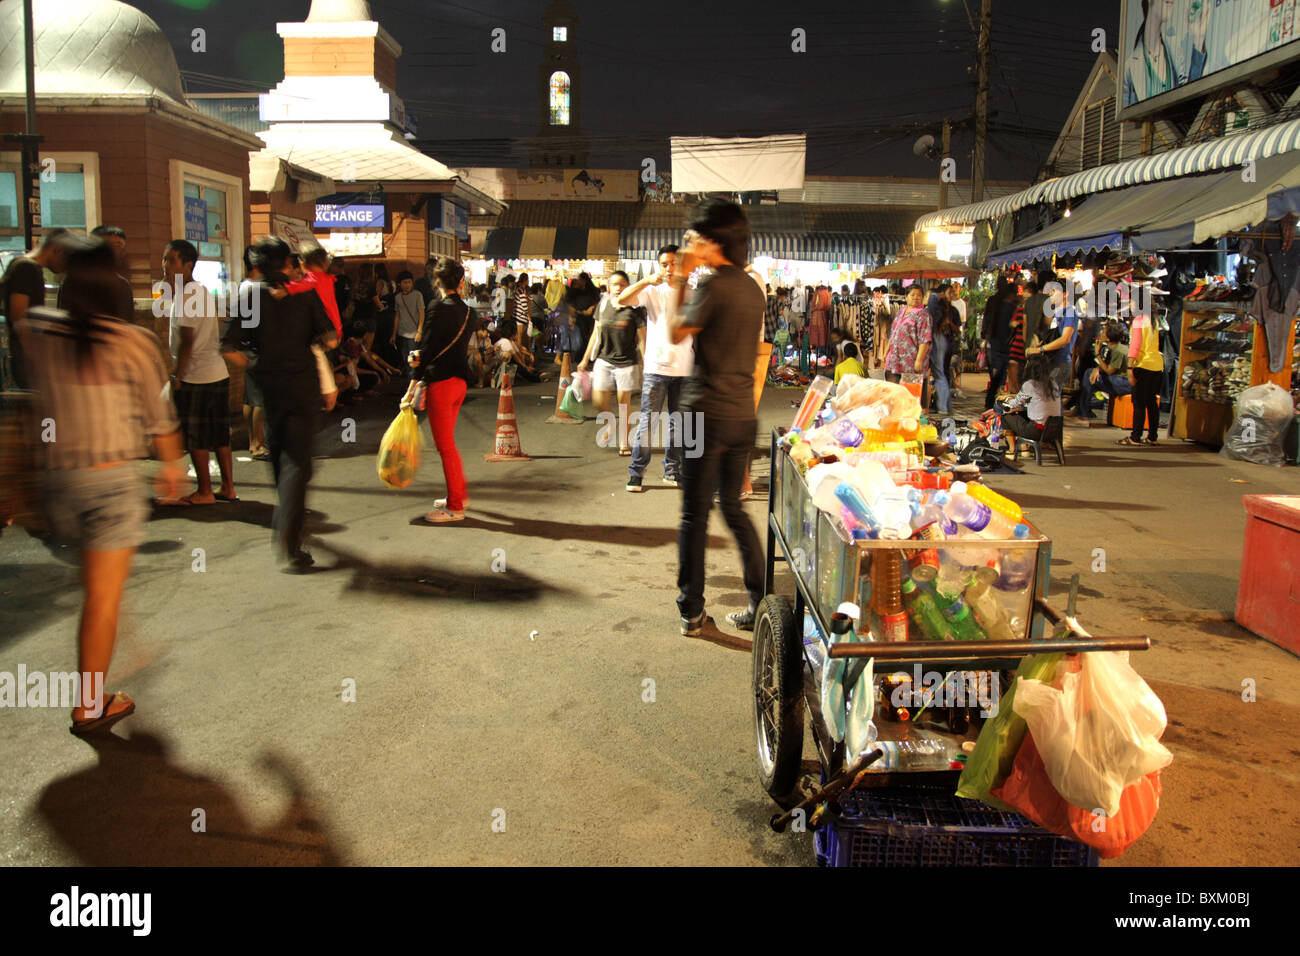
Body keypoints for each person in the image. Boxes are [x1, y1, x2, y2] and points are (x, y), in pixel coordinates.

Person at [21, 235, 185, 734]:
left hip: (59, 480)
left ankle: (116, 655)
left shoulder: (42, 332)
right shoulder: (133, 343)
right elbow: (160, 422)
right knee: (102, 598)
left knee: (97, 588)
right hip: (111, 484)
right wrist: (172, 467)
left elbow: (36, 402)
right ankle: (90, 704)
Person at [667, 199, 766, 637]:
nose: (691, 243)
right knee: (734, 509)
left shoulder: (709, 286)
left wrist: (680, 276)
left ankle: (691, 611)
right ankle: (760, 604)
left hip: (700, 414)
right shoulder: (751, 289)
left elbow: (674, 330)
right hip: (741, 414)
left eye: (696, 237)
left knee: (694, 514)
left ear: (712, 240)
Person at [221, 237, 337, 572]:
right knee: (297, 464)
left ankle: (287, 519)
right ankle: (289, 532)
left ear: (257, 265)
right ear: (287, 264)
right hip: (302, 386)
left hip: (268, 389)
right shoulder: (304, 294)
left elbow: (227, 346)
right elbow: (330, 338)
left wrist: (255, 362)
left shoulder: (248, 297)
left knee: (279, 454)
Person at [159, 239, 236, 506]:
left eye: (171, 260)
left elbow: (187, 339)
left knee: (196, 435)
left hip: (196, 375)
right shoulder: (200, 290)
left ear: (187, 265)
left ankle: (204, 491)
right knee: (218, 434)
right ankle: (228, 487)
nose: (165, 265)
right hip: (216, 372)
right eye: (165, 259)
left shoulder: (187, 294)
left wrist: (178, 377)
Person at [406, 257, 477, 523]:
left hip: (442, 386)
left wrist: (413, 374)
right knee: (449, 445)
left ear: (437, 282)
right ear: (460, 282)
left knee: (446, 447)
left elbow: (428, 350)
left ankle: (455, 507)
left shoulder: (437, 308)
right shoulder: (471, 313)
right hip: (459, 384)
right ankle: (459, 496)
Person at [617, 244, 689, 493]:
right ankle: (636, 473)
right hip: (656, 369)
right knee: (648, 422)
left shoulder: (692, 292)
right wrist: (646, 280)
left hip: (685, 369)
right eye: (664, 264)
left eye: (673, 263)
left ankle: (672, 471)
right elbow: (621, 299)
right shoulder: (652, 290)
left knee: (678, 424)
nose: (669, 268)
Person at [579, 270, 645, 456]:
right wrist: (585, 359)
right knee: (599, 401)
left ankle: (624, 442)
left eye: (622, 284)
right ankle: (611, 422)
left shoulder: (635, 308)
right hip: (604, 359)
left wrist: (645, 363)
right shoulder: (603, 305)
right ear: (608, 287)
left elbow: (642, 339)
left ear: (628, 286)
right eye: (614, 284)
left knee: (623, 403)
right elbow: (595, 333)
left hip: (627, 362)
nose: (618, 288)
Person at [1, 228, 69, 389]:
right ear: (57, 249)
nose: (66, 264)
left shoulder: (18, 264)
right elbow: (19, 316)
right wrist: (35, 356)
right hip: (28, 360)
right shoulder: (27, 268)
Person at [237, 246, 269, 460]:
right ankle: (258, 444)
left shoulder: (243, 286)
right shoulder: (257, 288)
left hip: (246, 346)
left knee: (249, 398)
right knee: (260, 400)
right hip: (258, 348)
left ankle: (252, 441)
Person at [1000, 352, 1062, 457]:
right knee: (1024, 414)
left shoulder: (1030, 385)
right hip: (1053, 430)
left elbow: (1014, 404)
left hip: (1036, 431)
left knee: (1006, 415)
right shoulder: (1053, 384)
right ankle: (1025, 448)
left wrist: (1006, 399)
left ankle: (1012, 449)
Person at [1026, 281, 1078, 395]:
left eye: (1054, 291)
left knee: (1050, 398)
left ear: (1065, 294)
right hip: (1052, 361)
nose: (1050, 294)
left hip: (1061, 363)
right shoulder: (1057, 313)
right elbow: (1054, 336)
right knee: (1048, 400)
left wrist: (1040, 349)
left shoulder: (1070, 312)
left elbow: (1065, 339)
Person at [1120, 308, 1163, 446]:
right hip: (1156, 365)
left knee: (1139, 403)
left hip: (1143, 365)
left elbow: (1135, 345)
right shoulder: (1153, 320)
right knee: (1151, 402)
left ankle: (1135, 437)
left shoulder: (1138, 320)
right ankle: (1152, 436)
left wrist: (1130, 367)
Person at [883, 285, 932, 402]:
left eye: (919, 295)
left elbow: (925, 339)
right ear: (906, 297)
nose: (916, 298)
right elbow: (894, 332)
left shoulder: (923, 315)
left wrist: (919, 360)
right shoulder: (901, 311)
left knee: (911, 395)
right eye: (913, 295)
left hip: (911, 360)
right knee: (893, 392)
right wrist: (886, 351)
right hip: (895, 359)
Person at [1082, 320, 1131, 419]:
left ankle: (1084, 411)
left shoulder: (1118, 351)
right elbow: (1106, 366)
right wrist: (1097, 369)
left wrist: (1097, 354)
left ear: (1108, 338)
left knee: (1088, 374)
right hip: (1122, 380)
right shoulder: (1114, 348)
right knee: (1091, 373)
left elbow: (1109, 370)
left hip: (1126, 384)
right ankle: (1084, 409)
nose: (1101, 333)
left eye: (1103, 332)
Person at [982, 277, 1017, 409]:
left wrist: (984, 337)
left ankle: (991, 402)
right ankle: (995, 403)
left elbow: (987, 319)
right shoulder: (1011, 307)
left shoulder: (994, 302)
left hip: (994, 341)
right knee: (1001, 375)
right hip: (1005, 344)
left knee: (997, 375)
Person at [88, 225, 135, 321]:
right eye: (116, 245)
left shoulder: (122, 284)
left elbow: (127, 323)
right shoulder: (75, 282)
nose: (120, 251)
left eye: (122, 246)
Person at [928, 281, 958, 415]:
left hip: (939, 339)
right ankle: (945, 406)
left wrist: (934, 295)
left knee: (940, 373)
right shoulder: (944, 306)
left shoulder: (936, 301)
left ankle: (943, 406)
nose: (952, 294)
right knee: (941, 373)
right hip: (941, 340)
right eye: (950, 292)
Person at [392, 269, 425, 375]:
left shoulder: (417, 295)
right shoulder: (398, 297)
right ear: (399, 284)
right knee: (405, 360)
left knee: (414, 360)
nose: (407, 285)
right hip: (402, 333)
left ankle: (414, 383)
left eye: (409, 282)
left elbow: (422, 313)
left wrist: (419, 331)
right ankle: (410, 382)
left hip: (414, 334)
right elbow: (397, 316)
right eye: (404, 282)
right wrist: (394, 334)